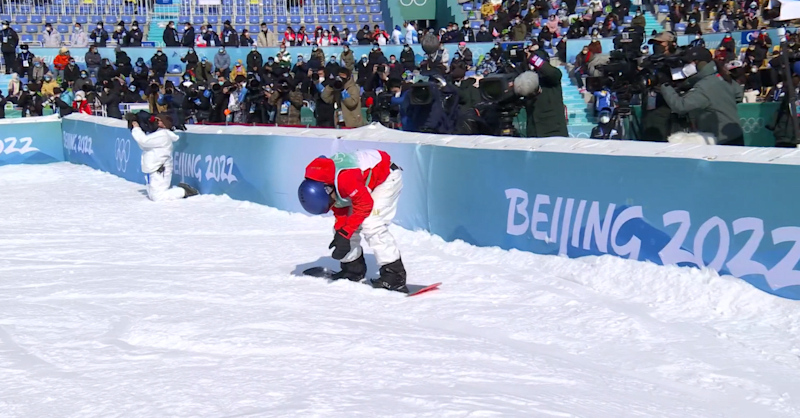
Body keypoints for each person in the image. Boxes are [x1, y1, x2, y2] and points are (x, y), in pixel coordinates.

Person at [299, 150, 407, 292]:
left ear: (327, 189)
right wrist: (341, 234)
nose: (332, 205)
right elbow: (340, 210)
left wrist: (346, 233)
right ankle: (353, 269)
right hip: (362, 183)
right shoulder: (325, 183)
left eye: (330, 202)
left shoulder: (345, 179)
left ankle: (394, 275)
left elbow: (364, 205)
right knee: (344, 228)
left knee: (371, 223)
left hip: (386, 177)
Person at [660, 47, 744, 146]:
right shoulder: (721, 77)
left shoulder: (705, 86)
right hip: (735, 134)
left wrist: (665, 86)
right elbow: (739, 95)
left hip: (720, 140)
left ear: (700, 63)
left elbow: (681, 106)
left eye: (690, 62)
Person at [125, 113, 199, 201]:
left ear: (164, 124)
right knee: (153, 196)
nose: (154, 122)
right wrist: (136, 126)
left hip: (160, 169)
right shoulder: (157, 134)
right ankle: (181, 190)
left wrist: (136, 128)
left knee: (158, 197)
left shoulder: (163, 135)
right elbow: (144, 145)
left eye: (157, 120)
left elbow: (143, 141)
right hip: (152, 168)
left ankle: (184, 191)